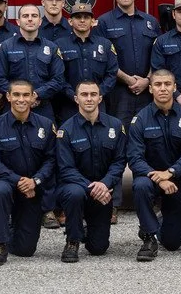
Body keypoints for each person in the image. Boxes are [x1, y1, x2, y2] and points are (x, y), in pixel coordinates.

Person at [0, 78, 58, 266]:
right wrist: (19, 181)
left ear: (33, 98)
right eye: (16, 94)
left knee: (25, 250)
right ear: (8, 97)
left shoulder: (46, 126)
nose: (21, 99)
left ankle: (14, 229)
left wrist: (36, 181)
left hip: (33, 186)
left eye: (25, 95)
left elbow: (52, 159)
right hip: (4, 182)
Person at [128, 69, 181, 260]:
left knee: (172, 243)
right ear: (151, 89)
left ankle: (158, 223)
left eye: (167, 84)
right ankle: (149, 236)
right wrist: (159, 177)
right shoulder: (140, 120)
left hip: (178, 181)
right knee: (140, 186)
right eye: (158, 85)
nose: (163, 88)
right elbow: (135, 158)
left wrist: (170, 172)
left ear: (174, 87)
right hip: (151, 179)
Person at [55, 78, 128, 261]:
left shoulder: (116, 126)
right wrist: (92, 186)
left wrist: (104, 184)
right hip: (77, 188)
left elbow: (119, 161)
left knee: (98, 248)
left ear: (100, 98)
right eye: (84, 95)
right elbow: (66, 169)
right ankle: (72, 240)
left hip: (103, 190)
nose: (89, 99)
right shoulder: (66, 130)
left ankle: (87, 230)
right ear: (76, 99)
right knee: (74, 193)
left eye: (93, 94)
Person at [95, 0, 158, 124]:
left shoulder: (151, 22)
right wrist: (127, 79)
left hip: (147, 90)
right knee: (120, 132)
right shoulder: (104, 22)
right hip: (118, 91)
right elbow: (102, 59)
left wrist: (147, 80)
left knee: (148, 132)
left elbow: (158, 55)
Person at [0, 4, 64, 121]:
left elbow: (58, 80)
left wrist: (36, 95)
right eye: (25, 16)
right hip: (13, 108)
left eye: (34, 16)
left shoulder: (52, 48)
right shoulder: (5, 47)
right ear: (18, 21)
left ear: (40, 21)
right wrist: (21, 97)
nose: (30, 19)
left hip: (43, 108)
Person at [56, 0, 117, 124]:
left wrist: (97, 95)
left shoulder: (105, 44)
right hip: (69, 105)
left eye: (86, 17)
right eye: (78, 17)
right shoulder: (59, 45)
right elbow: (58, 76)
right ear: (70, 21)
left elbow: (112, 73)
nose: (82, 20)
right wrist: (73, 96)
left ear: (93, 21)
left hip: (98, 105)